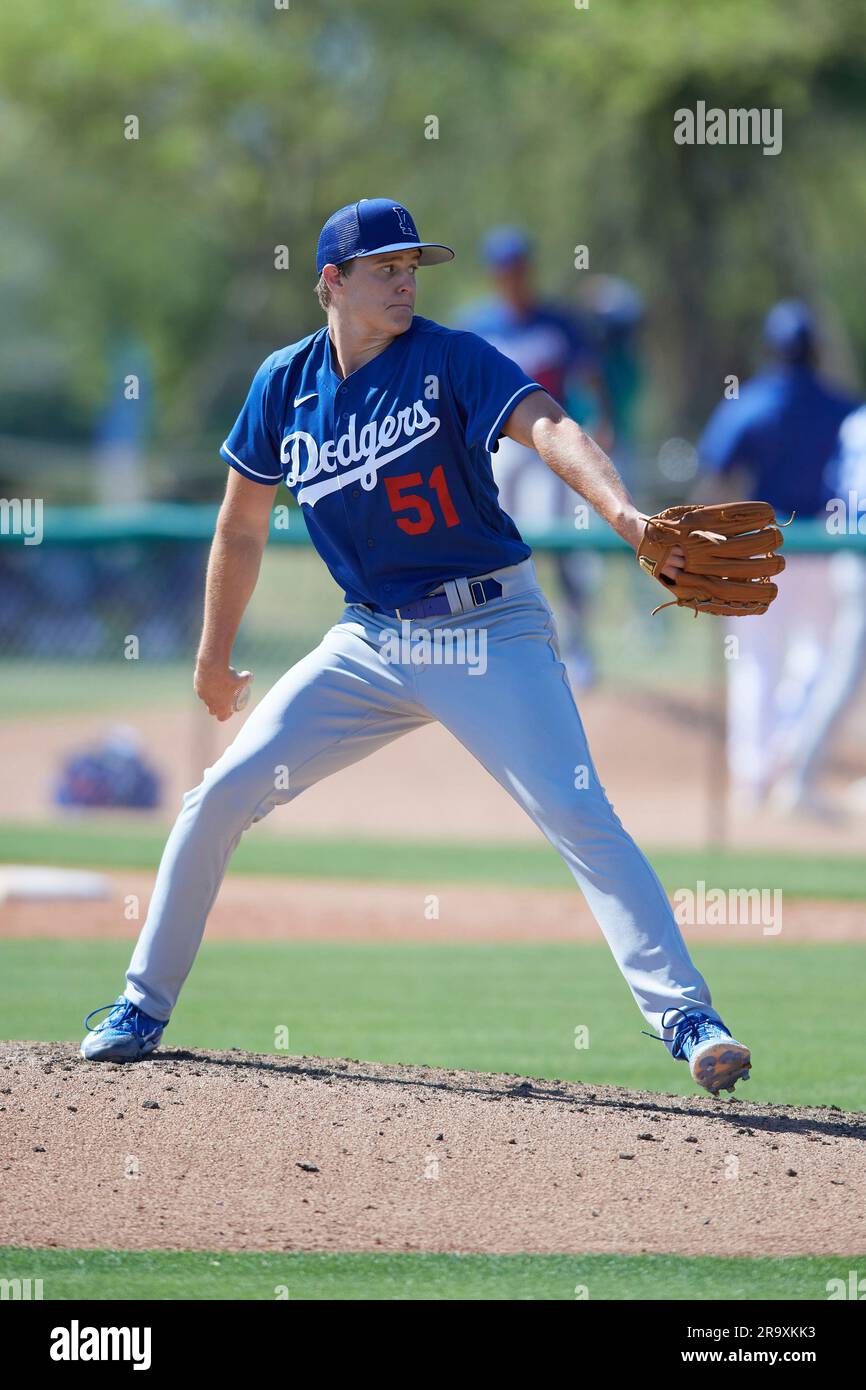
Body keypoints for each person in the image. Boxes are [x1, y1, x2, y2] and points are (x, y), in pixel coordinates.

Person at [80, 197, 751, 1096]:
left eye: (412, 266)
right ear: (332, 282)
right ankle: (140, 1004)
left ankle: (686, 1016)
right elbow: (240, 527)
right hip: (368, 640)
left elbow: (548, 423)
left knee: (579, 812)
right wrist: (213, 652)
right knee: (221, 795)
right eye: (385, 267)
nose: (405, 279)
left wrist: (624, 517)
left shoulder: (451, 357)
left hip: (489, 630)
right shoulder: (284, 384)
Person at [697, 300, 860, 810]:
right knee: (818, 657)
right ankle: (790, 752)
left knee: (754, 661)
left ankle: (752, 778)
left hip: (759, 541)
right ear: (815, 349)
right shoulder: (841, 405)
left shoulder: (750, 401)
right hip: (825, 542)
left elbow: (714, 469)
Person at [457, 226, 608, 688]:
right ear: (493, 274)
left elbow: (590, 379)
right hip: (497, 448)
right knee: (491, 542)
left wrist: (603, 422)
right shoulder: (477, 324)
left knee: (557, 539)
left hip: (548, 444)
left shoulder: (558, 323)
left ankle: (576, 643)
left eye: (518, 267)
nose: (513, 276)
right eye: (504, 269)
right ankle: (496, 641)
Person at [770, 403, 866, 815]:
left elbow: (832, 487)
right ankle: (799, 778)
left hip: (848, 546)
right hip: (858, 549)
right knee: (843, 674)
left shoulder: (855, 420)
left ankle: (800, 777)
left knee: (842, 671)